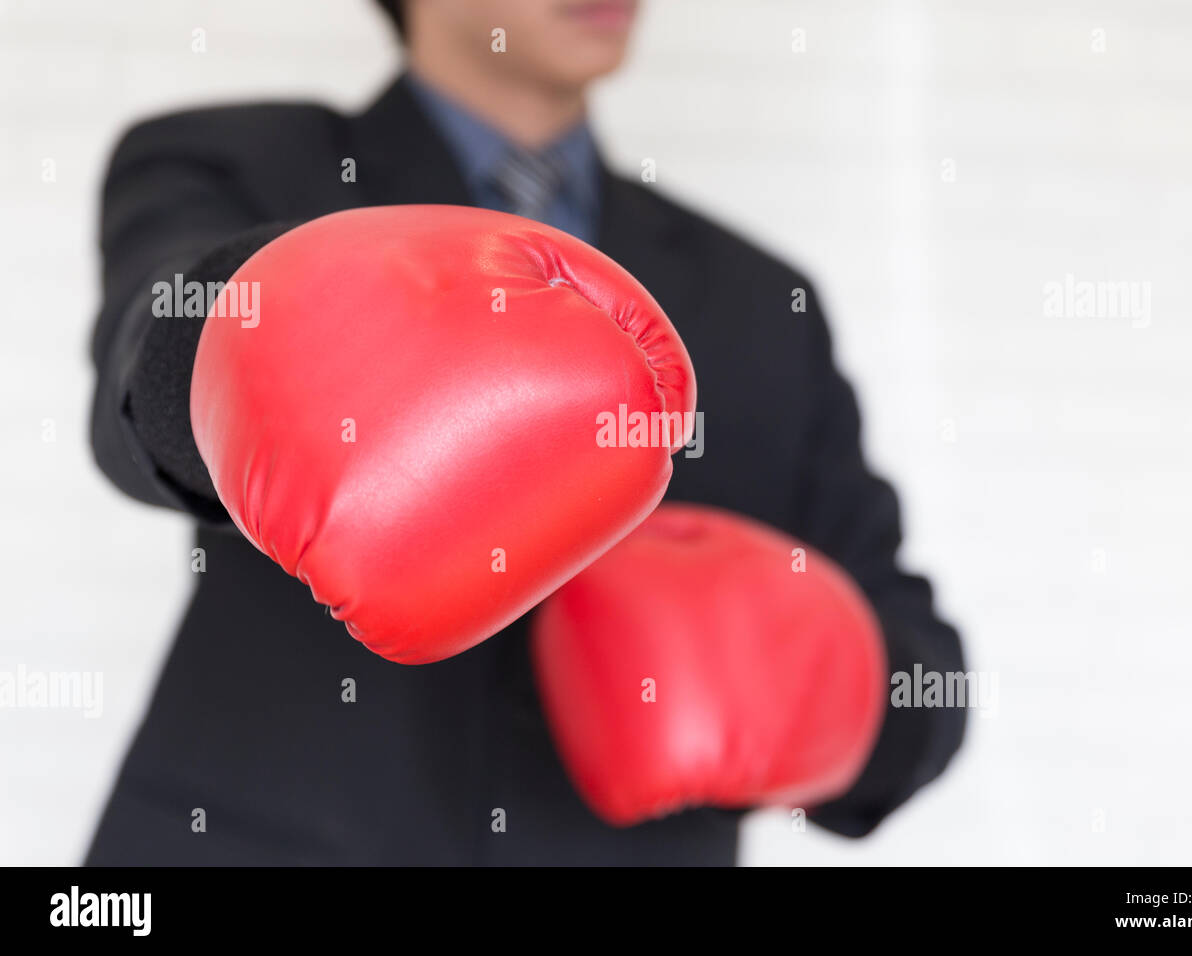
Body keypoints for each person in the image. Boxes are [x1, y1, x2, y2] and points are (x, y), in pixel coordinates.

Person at [85, 0, 965, 865]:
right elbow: (142, 358)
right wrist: (255, 335)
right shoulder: (233, 161)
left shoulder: (766, 301)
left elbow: (923, 664)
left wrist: (826, 697)